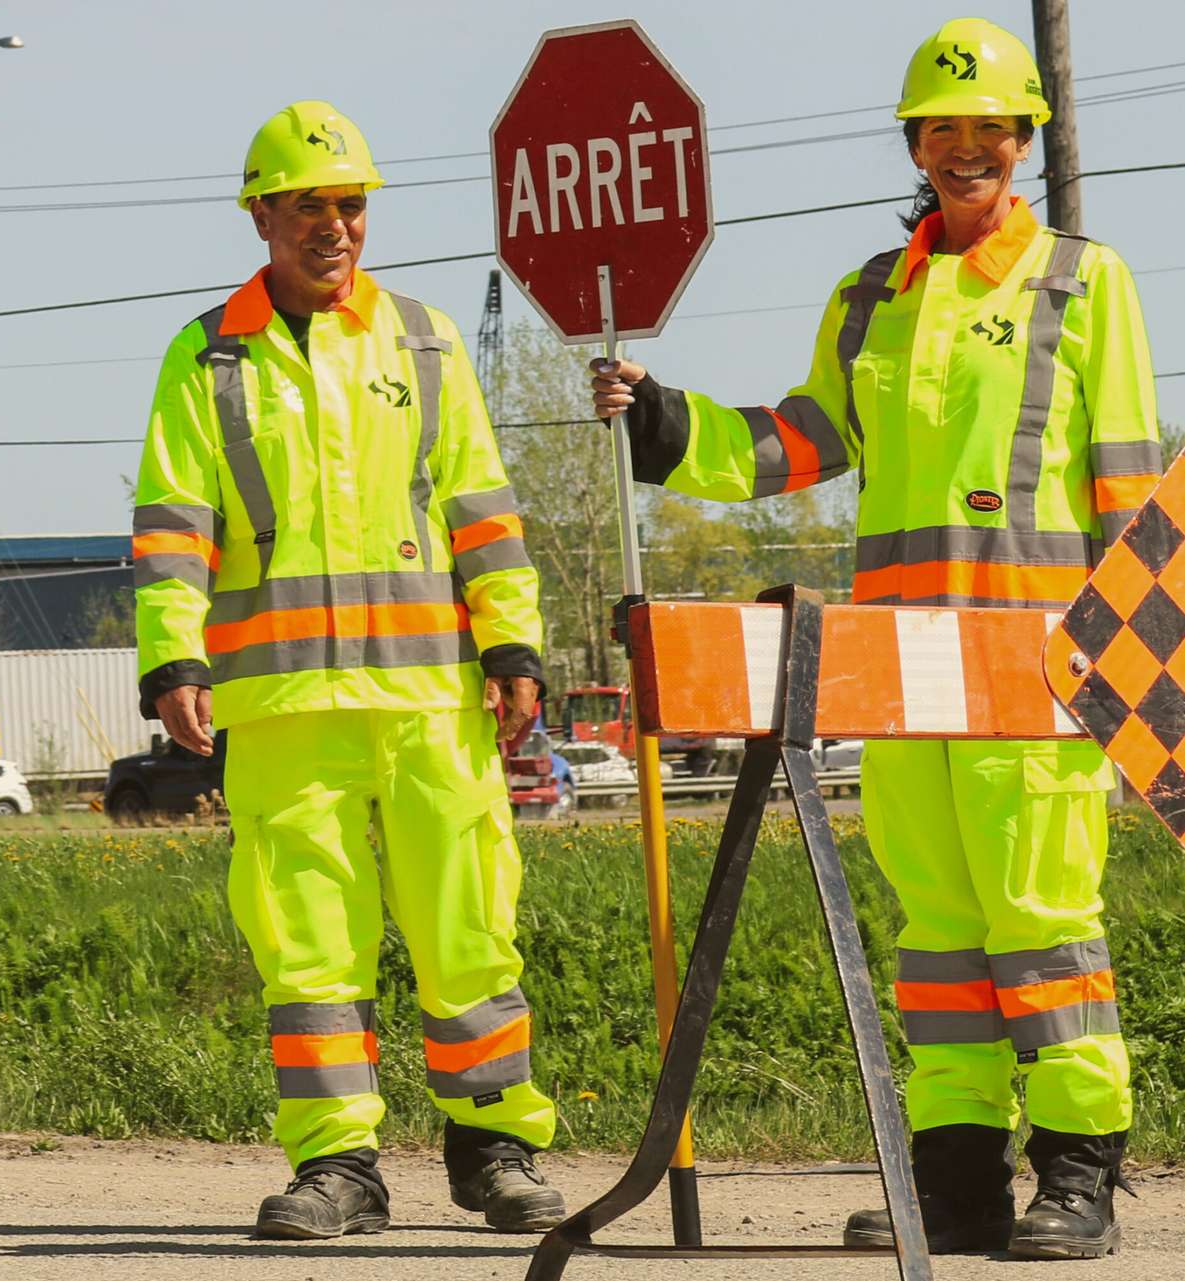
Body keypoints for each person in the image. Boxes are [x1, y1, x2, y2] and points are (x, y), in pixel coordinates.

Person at [590, 19, 1157, 1261]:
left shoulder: (1082, 279)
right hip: (899, 677)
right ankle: (954, 1183)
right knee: (940, 942)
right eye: (945, 130)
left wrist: (1150, 680)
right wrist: (671, 427)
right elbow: (804, 439)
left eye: (993, 130)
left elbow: (1130, 485)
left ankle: (1079, 1176)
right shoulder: (868, 300)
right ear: (915, 143)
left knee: (1043, 929)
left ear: (1026, 143)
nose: (969, 150)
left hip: (1037, 676)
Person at [133, 100, 565, 1240]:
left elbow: (482, 507)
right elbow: (174, 525)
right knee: (308, 946)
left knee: (470, 928)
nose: (335, 225)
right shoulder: (207, 357)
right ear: (263, 214)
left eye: (351, 205)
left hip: (431, 698)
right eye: (312, 205)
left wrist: (514, 638)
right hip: (281, 707)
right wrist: (168, 653)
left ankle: (497, 1146)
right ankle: (339, 1168)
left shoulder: (423, 341)